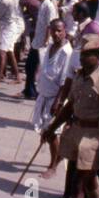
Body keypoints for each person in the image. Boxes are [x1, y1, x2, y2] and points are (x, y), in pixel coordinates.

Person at [41, 33, 99, 198]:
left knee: (78, 182)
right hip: (76, 132)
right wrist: (51, 128)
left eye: (88, 55)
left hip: (93, 137)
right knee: (90, 179)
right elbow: (70, 106)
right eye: (82, 54)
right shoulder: (79, 76)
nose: (83, 58)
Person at [31, 19, 72, 179]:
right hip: (44, 94)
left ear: (65, 31)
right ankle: (58, 156)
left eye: (59, 31)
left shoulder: (66, 52)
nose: (56, 34)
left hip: (56, 97)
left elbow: (65, 80)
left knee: (52, 132)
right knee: (46, 132)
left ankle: (53, 165)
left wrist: (58, 102)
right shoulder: (50, 47)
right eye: (53, 30)